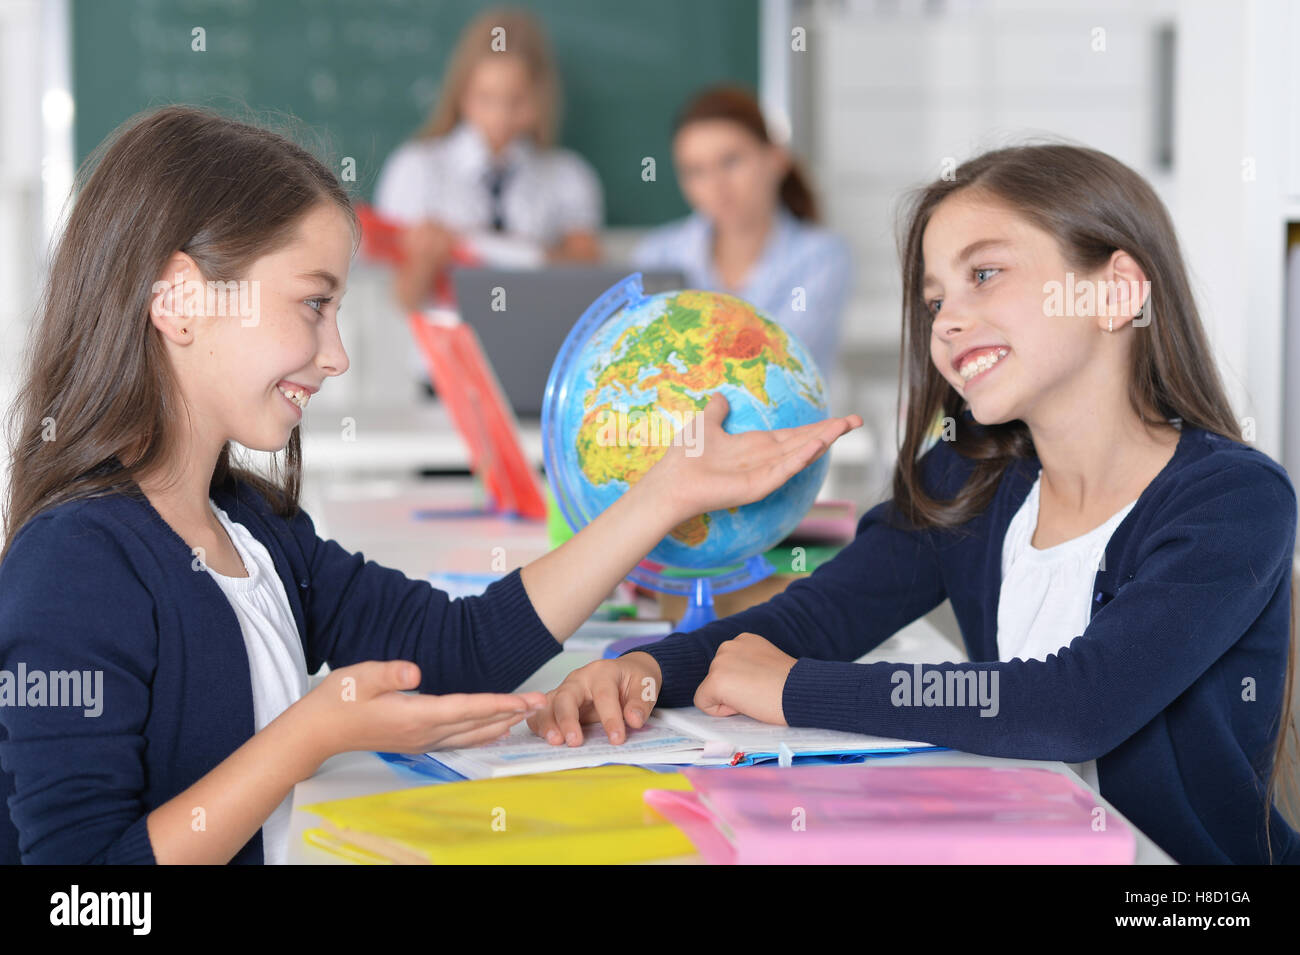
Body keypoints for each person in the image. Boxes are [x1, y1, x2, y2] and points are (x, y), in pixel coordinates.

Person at [0, 105, 862, 864]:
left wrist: (665, 494)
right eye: (313, 303)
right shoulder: (75, 562)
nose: (336, 354)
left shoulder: (253, 530)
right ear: (183, 298)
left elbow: (458, 647)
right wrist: (311, 735)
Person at [529, 143, 1300, 865]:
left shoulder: (1233, 501)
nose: (949, 320)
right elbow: (814, 618)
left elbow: (1076, 701)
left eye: (985, 273)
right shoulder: (965, 477)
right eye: (935, 301)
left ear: (1116, 291)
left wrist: (796, 687)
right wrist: (645, 669)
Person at [373, 7, 603, 312]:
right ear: (463, 94)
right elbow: (402, 298)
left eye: (517, 101)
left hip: (534, 347)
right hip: (442, 352)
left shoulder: (567, 175)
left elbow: (589, 277)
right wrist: (426, 260)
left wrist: (488, 248)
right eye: (486, 98)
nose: (500, 118)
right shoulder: (416, 167)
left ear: (540, 97)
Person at [632, 86, 852, 384]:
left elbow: (778, 364)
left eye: (731, 161)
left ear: (776, 159)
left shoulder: (822, 257)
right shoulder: (656, 255)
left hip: (792, 428)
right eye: (696, 171)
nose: (716, 186)